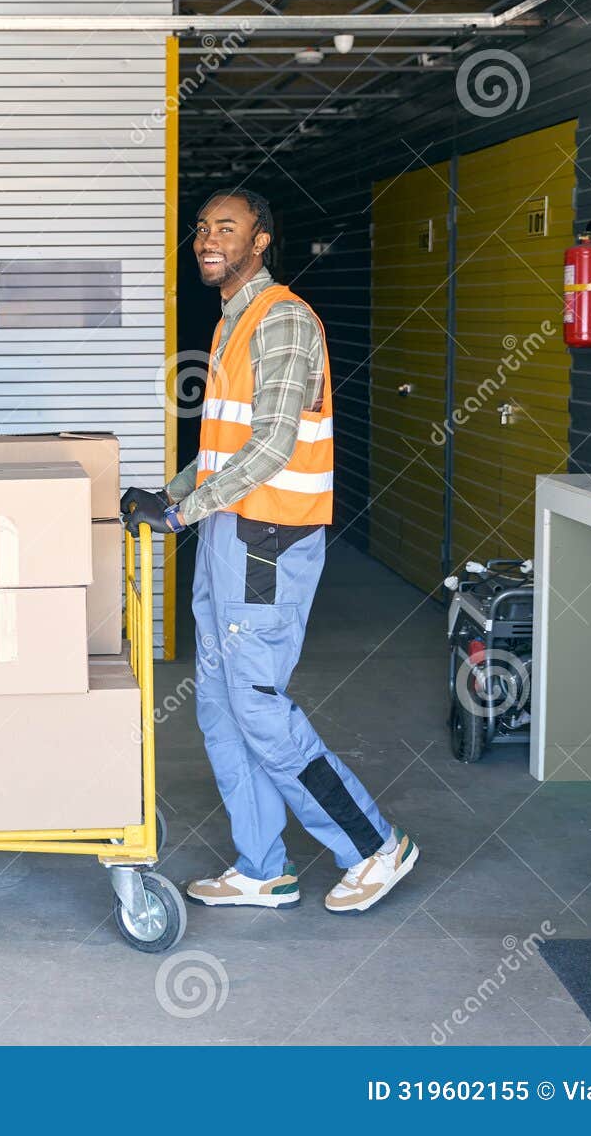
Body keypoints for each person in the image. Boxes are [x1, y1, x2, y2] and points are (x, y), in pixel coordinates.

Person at [121, 189, 418, 914]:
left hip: (268, 543)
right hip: (230, 534)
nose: (206, 239)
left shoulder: (281, 317)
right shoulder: (231, 323)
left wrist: (187, 509)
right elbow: (223, 447)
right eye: (201, 229)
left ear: (260, 242)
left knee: (255, 704)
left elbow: (274, 445)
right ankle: (262, 867)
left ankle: (375, 845)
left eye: (227, 228)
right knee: (220, 708)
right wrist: (170, 497)